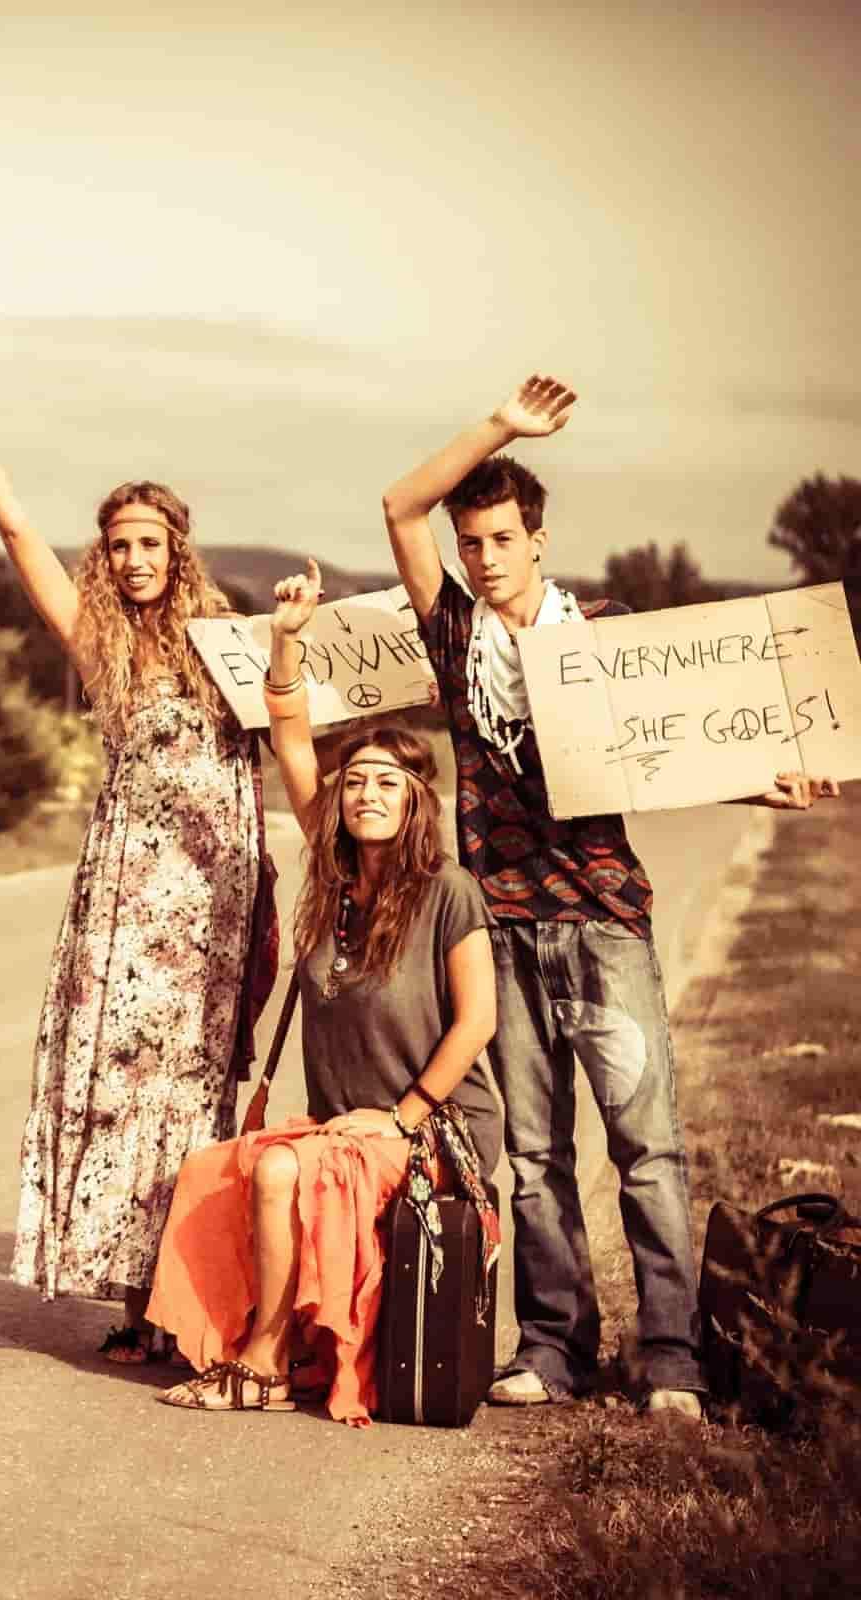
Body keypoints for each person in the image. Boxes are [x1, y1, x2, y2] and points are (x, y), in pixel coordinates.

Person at [382, 374, 838, 1418]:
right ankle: (553, 1346)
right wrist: (498, 425)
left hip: (600, 918)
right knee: (535, 1154)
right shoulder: (453, 636)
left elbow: (672, 746)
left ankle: (669, 1355)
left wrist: (760, 779)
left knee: (645, 1148)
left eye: (500, 538)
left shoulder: (604, 631)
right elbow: (399, 506)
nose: (483, 557)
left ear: (537, 539)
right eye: (472, 541)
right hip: (496, 924)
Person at [0, 335, 275, 1362]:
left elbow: (307, 721)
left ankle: (189, 1295)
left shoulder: (230, 641)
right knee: (119, 1085)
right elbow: (14, 528)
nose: (134, 559)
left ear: (177, 549)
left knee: (195, 1090)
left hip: (214, 905)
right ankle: (137, 1294)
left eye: (150, 542)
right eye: (119, 545)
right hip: (125, 901)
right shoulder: (98, 643)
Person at [146, 564, 500, 1422]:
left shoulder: (448, 889)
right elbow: (293, 736)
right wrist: (289, 641)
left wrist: (403, 1114)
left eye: (388, 782)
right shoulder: (333, 877)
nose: (366, 794)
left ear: (420, 800)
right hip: (344, 1125)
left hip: (432, 1129)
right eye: (356, 783)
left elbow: (477, 1021)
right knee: (209, 1169)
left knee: (275, 1166)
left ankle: (264, 1363)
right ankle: (230, 1338)